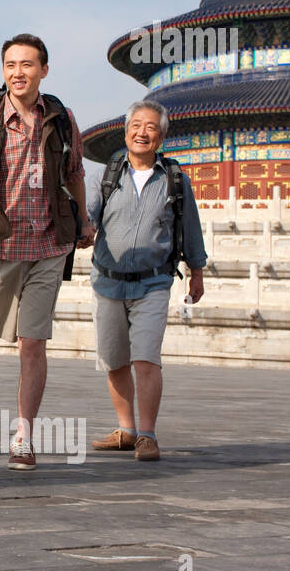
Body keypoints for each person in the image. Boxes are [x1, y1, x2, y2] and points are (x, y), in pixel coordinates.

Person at [0, 34, 96, 470]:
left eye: (28, 65)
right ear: (3, 71)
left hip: (49, 242)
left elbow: (73, 172)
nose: (19, 72)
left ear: (44, 70)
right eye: (11, 65)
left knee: (32, 343)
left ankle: (24, 435)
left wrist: (85, 219)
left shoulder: (60, 117)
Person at [87, 100, 206, 461]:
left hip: (153, 283)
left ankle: (148, 434)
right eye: (136, 125)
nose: (142, 132)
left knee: (146, 358)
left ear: (161, 136)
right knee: (114, 359)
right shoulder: (105, 176)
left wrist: (196, 272)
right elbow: (89, 216)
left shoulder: (174, 180)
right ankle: (126, 430)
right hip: (107, 282)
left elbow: (190, 229)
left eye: (151, 127)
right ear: (125, 132)